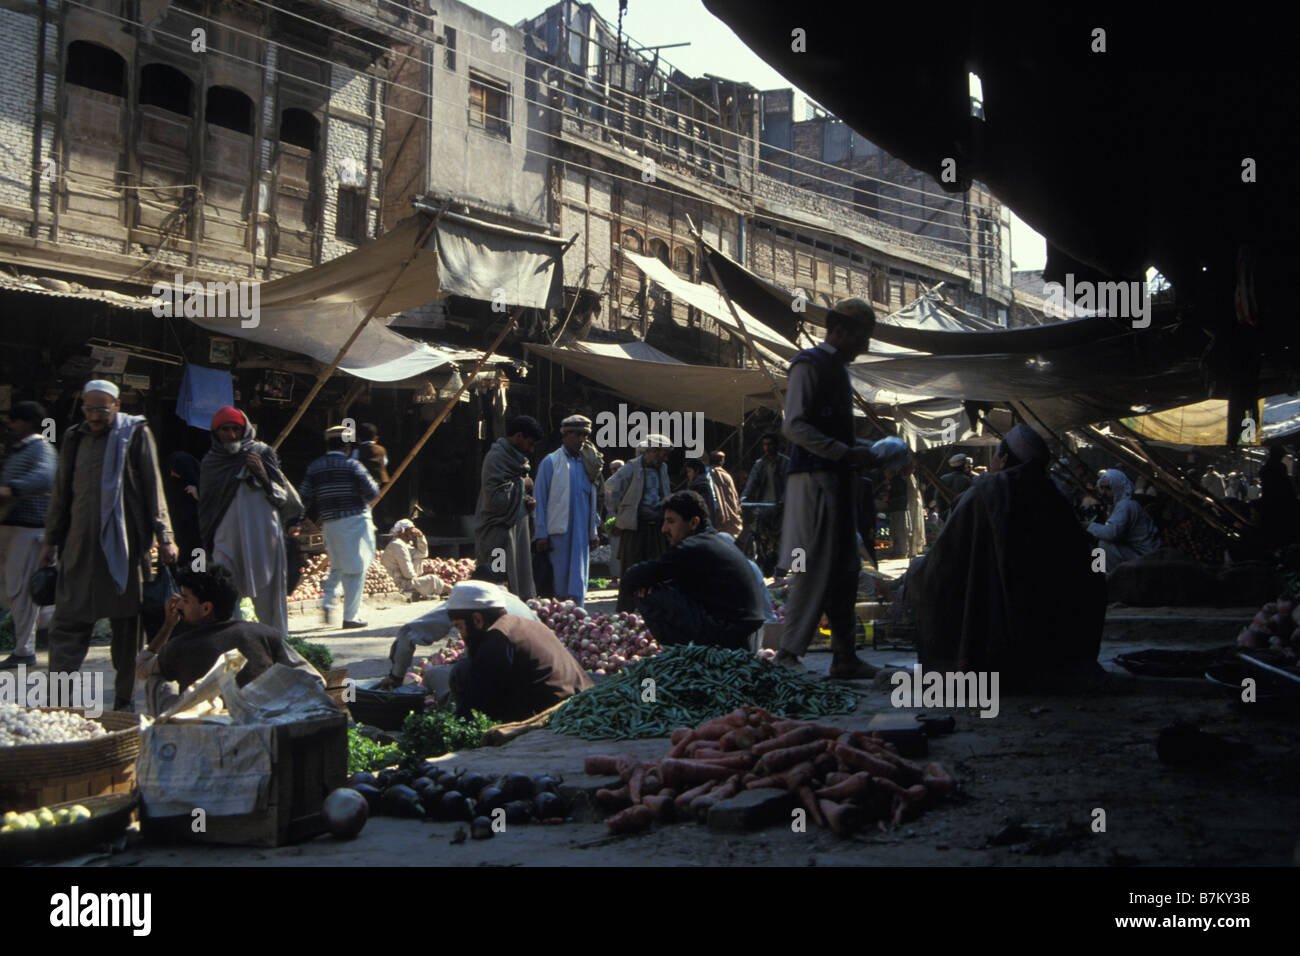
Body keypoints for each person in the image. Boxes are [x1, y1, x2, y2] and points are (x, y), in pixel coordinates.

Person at [907, 424, 1107, 691]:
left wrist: (917, 572)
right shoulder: (1053, 497)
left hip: (990, 627)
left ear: (1002, 459)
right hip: (1048, 634)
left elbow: (947, 557)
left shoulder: (984, 493)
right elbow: (1086, 559)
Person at [40, 380, 177, 711]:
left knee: (127, 628)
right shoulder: (74, 437)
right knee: (67, 624)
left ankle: (123, 701)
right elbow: (61, 493)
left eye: (101, 409)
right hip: (78, 549)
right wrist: (50, 540)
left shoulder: (135, 434)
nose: (94, 416)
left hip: (124, 550)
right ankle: (58, 703)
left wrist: (166, 537)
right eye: (88, 408)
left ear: (116, 406)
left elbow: (153, 486)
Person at [775, 300, 884, 679]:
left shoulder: (837, 370)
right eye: (862, 338)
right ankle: (788, 653)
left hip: (837, 481)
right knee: (810, 564)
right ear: (843, 331)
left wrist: (863, 453)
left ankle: (844, 657)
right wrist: (843, 453)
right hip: (813, 481)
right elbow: (795, 427)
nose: (865, 346)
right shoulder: (809, 364)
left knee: (845, 568)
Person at [134, 565, 320, 716]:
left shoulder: (179, 646)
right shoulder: (263, 633)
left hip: (206, 728)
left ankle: (167, 731)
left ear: (206, 608)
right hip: (263, 719)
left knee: (155, 679)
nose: (179, 604)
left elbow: (141, 668)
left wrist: (167, 626)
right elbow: (314, 678)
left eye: (185, 599)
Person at [622, 490, 767, 651]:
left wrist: (646, 584)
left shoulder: (692, 547)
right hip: (750, 638)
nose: (664, 529)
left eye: (671, 522)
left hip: (732, 638)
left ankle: (684, 655)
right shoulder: (716, 542)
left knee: (651, 594)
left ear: (693, 523)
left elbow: (630, 578)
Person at [198, 407, 298, 637]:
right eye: (225, 430)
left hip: (264, 539)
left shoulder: (262, 453)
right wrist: (206, 545)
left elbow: (281, 497)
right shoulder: (211, 463)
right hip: (226, 540)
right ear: (216, 432)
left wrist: (262, 475)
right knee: (226, 598)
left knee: (269, 603)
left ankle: (276, 651)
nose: (231, 435)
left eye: (236, 429)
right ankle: (233, 650)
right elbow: (206, 508)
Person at [444, 581, 592, 723]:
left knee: (462, 671)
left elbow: (478, 700)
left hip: (554, 714)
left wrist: (459, 725)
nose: (461, 635)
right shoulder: (527, 624)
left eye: (460, 627)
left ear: (477, 619)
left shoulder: (497, 639)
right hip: (580, 700)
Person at [380, 575, 541, 689]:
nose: (460, 632)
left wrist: (396, 677)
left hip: (512, 690)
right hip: (537, 685)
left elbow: (408, 633)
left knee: (440, 674)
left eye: (459, 626)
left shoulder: (469, 600)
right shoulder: (519, 603)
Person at [296, 424, 379, 629]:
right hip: (355, 521)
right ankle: (351, 616)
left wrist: (296, 521)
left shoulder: (315, 467)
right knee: (356, 570)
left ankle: (328, 601)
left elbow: (303, 497)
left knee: (338, 566)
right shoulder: (353, 466)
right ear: (347, 446)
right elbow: (372, 492)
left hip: (329, 523)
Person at [0, 402, 57, 669]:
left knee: (22, 591)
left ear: (27, 423)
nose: (10, 425)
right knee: (12, 591)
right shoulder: (18, 451)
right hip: (12, 528)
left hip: (29, 528)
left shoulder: (41, 448)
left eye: (14, 420)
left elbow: (46, 478)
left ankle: (24, 650)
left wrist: (12, 490)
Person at [534, 415, 600, 607]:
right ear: (565, 434)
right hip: (558, 532)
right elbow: (540, 500)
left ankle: (577, 617)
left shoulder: (590, 464)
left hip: (581, 533)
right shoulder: (550, 462)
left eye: (585, 435)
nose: (581, 440)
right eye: (577, 435)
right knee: (558, 580)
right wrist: (541, 533)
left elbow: (593, 498)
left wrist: (594, 529)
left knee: (579, 578)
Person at [475, 415, 542, 600]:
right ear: (518, 436)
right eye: (529, 443)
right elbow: (496, 499)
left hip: (517, 534)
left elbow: (513, 492)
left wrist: (527, 502)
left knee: (519, 580)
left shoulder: (517, 460)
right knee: (496, 579)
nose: (530, 449)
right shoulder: (496, 458)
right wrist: (523, 485)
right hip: (498, 536)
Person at [606, 433, 672, 611]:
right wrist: (621, 514)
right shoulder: (632, 467)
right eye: (663, 454)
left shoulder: (662, 468)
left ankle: (653, 611)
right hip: (635, 528)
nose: (665, 458)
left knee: (656, 573)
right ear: (653, 451)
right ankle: (626, 612)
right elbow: (611, 487)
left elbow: (665, 491)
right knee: (631, 571)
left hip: (657, 527)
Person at [1088, 469, 1162, 568]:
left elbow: (1112, 533)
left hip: (1144, 554)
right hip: (1136, 551)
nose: (1104, 493)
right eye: (1102, 488)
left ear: (1117, 487)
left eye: (1108, 488)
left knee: (1104, 545)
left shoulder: (1126, 505)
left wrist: (1088, 526)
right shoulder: (1117, 506)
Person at [740, 433, 790, 575]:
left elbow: (789, 486)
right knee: (758, 532)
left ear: (777, 445)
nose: (767, 448)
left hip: (780, 507)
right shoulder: (760, 464)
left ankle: (782, 567)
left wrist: (783, 500)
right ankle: (761, 560)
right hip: (763, 506)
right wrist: (743, 498)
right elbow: (751, 483)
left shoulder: (786, 463)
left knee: (781, 536)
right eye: (765, 445)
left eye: (770, 444)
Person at [382, 519, 448, 600]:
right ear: (402, 531)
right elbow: (408, 574)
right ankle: (454, 591)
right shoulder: (397, 545)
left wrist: (421, 537)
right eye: (411, 530)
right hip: (399, 584)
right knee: (432, 580)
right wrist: (419, 581)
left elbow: (422, 553)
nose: (413, 533)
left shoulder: (404, 545)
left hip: (406, 580)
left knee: (420, 563)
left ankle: (450, 590)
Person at [163, 451, 202, 567]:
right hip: (178, 537)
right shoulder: (174, 486)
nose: (172, 474)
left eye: (177, 472)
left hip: (197, 539)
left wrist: (198, 494)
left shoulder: (203, 485)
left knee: (197, 572)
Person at [708, 451, 744, 537]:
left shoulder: (708, 474)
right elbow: (734, 496)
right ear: (722, 461)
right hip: (723, 515)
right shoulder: (726, 476)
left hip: (718, 513)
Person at [603, 459, 625, 584]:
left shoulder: (628, 481)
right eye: (614, 469)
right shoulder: (609, 483)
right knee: (615, 548)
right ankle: (615, 576)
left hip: (625, 515)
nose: (616, 471)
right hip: (613, 515)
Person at [684, 457, 721, 529]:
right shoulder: (702, 484)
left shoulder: (699, 486)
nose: (688, 475)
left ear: (697, 471)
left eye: (689, 471)